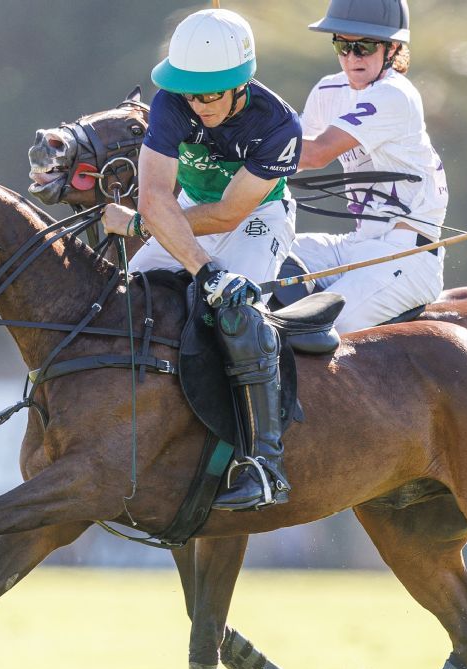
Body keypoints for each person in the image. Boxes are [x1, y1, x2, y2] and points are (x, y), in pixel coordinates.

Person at [101, 8, 304, 512]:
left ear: (242, 83)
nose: (199, 104)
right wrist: (166, 231)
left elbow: (230, 214)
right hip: (185, 207)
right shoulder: (171, 104)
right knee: (122, 299)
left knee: (238, 315)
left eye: (211, 93)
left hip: (260, 215)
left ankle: (263, 464)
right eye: (191, 92)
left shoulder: (280, 125)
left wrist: (149, 229)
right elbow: (154, 197)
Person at [293, 0, 449, 332]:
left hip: (405, 257)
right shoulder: (328, 89)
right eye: (342, 45)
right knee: (264, 258)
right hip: (355, 245)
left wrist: (240, 147)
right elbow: (289, 160)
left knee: (318, 330)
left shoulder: (394, 95)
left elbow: (315, 154)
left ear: (392, 49)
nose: (352, 58)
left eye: (362, 47)